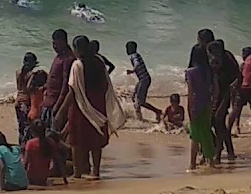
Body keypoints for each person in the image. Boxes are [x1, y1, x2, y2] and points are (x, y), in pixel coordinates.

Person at [63, 36, 125, 180]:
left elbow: (73, 91)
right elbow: (105, 84)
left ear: (77, 49)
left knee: (77, 140)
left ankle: (77, 172)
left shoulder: (77, 65)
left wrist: (61, 112)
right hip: (98, 103)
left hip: (81, 105)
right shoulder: (99, 61)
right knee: (95, 138)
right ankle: (95, 171)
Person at [207, 40, 240, 162]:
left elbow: (236, 79)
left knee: (218, 121)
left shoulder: (227, 62)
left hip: (226, 93)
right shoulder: (214, 61)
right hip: (216, 94)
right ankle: (226, 150)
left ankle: (218, 154)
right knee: (216, 123)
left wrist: (225, 102)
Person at [185, 45, 215, 170]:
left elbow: (191, 92)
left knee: (195, 135)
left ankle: (192, 163)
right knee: (206, 132)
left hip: (196, 104)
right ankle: (211, 161)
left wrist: (189, 107)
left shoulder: (190, 72)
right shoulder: (209, 70)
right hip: (207, 103)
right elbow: (216, 88)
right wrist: (213, 101)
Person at [42, 30, 74, 132]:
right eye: (53, 43)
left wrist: (58, 105)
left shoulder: (68, 58)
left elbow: (66, 85)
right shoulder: (59, 56)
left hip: (56, 103)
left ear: (63, 42)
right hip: (49, 101)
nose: (54, 46)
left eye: (56, 43)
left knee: (54, 136)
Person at [21, 121, 69, 186]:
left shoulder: (30, 143)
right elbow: (58, 161)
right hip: (43, 178)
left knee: (21, 158)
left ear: (33, 132)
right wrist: (65, 179)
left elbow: (25, 163)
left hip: (31, 178)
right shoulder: (50, 142)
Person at [125, 41, 162, 122]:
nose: (126, 50)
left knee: (140, 101)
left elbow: (137, 64)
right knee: (133, 97)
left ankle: (157, 112)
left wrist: (132, 71)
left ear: (131, 49)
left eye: (127, 48)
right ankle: (139, 117)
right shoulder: (136, 55)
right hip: (143, 79)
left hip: (144, 79)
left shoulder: (134, 56)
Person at [15, 53, 38, 143]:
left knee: (21, 126)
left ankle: (21, 145)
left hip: (18, 101)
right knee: (28, 127)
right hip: (26, 102)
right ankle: (27, 146)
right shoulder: (32, 75)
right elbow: (29, 89)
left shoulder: (18, 72)